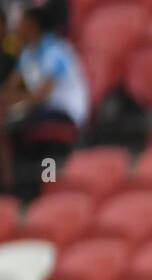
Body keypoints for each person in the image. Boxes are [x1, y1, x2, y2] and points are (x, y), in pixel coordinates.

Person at [0, 4, 87, 198]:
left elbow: (40, 96)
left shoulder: (56, 50)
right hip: (38, 110)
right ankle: (13, 188)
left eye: (21, 22)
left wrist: (13, 102)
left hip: (63, 111)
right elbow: (13, 86)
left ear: (32, 25)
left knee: (20, 129)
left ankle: (47, 183)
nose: (16, 27)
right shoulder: (27, 53)